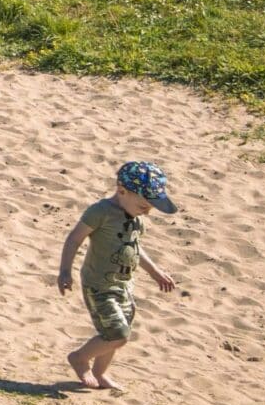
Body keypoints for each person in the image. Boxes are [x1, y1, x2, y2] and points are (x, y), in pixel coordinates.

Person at [57, 161, 178, 392]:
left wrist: (155, 273)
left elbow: (134, 247)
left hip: (124, 287)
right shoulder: (100, 212)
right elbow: (74, 238)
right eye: (144, 206)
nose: (148, 211)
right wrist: (65, 270)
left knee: (114, 333)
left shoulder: (135, 217)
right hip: (99, 286)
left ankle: (99, 373)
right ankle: (79, 358)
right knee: (118, 334)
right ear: (122, 191)